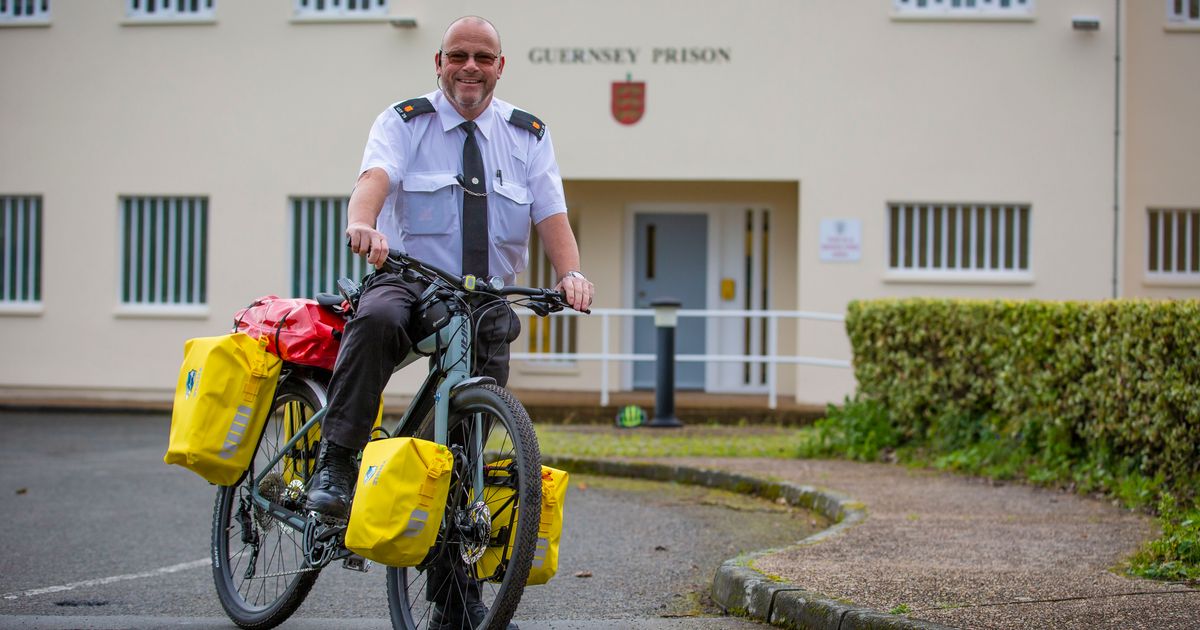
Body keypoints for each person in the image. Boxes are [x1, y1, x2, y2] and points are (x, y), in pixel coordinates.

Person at [306, 15, 593, 630]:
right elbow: (374, 179)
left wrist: (571, 274)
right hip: (410, 278)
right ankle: (337, 458)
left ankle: (452, 599)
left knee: (463, 455)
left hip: (484, 298)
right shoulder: (405, 121)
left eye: (483, 58)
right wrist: (363, 223)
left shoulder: (527, 135)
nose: (470, 68)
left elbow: (551, 214)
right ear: (438, 63)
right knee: (377, 318)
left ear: (500, 67)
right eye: (458, 56)